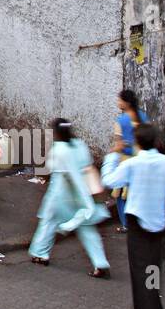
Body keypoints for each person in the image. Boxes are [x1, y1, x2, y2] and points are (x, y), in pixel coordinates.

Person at [101, 123, 165, 309]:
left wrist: (112, 156)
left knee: (140, 274)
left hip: (138, 225)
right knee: (152, 270)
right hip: (158, 225)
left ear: (137, 142)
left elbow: (110, 181)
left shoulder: (132, 164)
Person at [29, 118, 111, 277]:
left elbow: (51, 169)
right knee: (87, 227)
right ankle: (100, 263)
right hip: (81, 194)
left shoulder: (58, 149)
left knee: (49, 221)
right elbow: (87, 166)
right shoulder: (80, 145)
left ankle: (40, 254)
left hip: (61, 193)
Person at [112, 90, 148, 230]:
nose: (118, 103)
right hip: (142, 160)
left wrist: (111, 156)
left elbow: (119, 145)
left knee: (121, 194)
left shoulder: (121, 121)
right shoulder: (143, 117)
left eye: (120, 100)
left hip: (126, 161)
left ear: (126, 103)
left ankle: (127, 224)